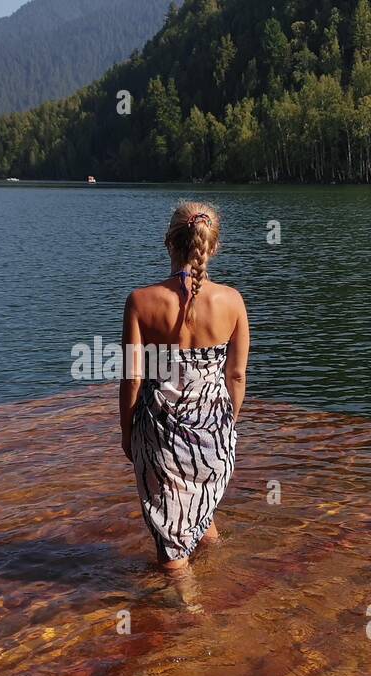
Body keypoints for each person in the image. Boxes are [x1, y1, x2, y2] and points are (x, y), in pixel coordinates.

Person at [119, 202, 249, 571]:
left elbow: (133, 379)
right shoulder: (233, 301)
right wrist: (225, 426)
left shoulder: (141, 302)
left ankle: (192, 618)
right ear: (213, 246)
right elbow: (236, 377)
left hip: (162, 436)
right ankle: (228, 574)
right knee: (200, 511)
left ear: (168, 243)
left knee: (170, 549)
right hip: (214, 433)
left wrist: (127, 433)